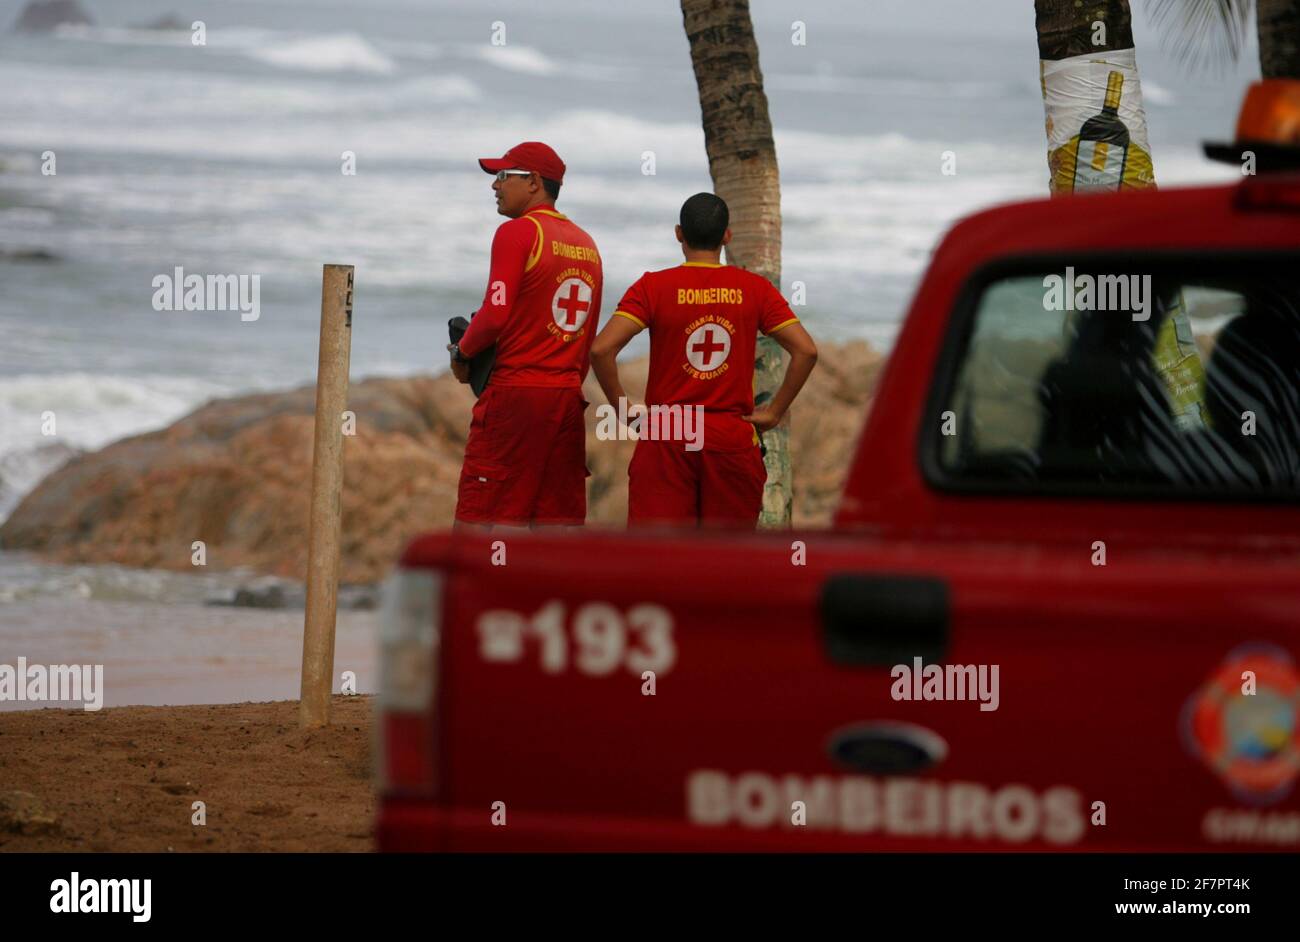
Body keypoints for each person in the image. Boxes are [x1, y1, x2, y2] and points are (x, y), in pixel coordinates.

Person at [589, 192, 818, 528]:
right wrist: (773, 412)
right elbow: (806, 351)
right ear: (727, 235)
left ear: (679, 233)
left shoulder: (653, 287)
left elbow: (600, 350)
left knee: (658, 558)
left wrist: (623, 412)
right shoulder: (755, 289)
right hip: (730, 437)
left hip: (667, 433)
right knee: (726, 560)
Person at [448, 141, 603, 529]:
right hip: (567, 398)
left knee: (480, 522)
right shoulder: (586, 243)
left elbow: (495, 315)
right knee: (555, 527)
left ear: (533, 182)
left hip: (516, 395)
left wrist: (463, 353)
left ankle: (477, 591)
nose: (494, 186)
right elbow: (587, 336)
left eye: (503, 176)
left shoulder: (517, 233)